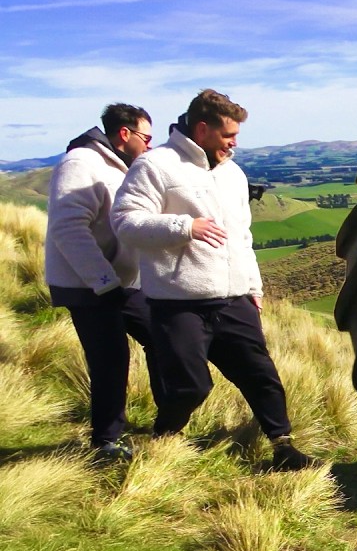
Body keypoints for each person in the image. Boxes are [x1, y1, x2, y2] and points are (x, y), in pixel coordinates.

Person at [111, 89, 315, 471]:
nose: (234, 143)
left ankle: (283, 446)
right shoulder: (156, 166)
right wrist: (185, 226)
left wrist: (253, 287)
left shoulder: (233, 173)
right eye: (228, 135)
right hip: (178, 302)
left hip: (235, 298)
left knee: (262, 376)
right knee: (190, 386)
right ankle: (165, 439)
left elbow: (242, 237)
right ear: (202, 128)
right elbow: (124, 222)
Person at [46, 103, 165, 464]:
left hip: (120, 281)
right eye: (145, 137)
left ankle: (168, 422)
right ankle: (105, 441)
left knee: (163, 338)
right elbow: (68, 228)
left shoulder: (118, 166)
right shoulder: (81, 163)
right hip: (88, 284)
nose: (149, 144)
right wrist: (103, 282)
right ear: (124, 134)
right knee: (110, 358)